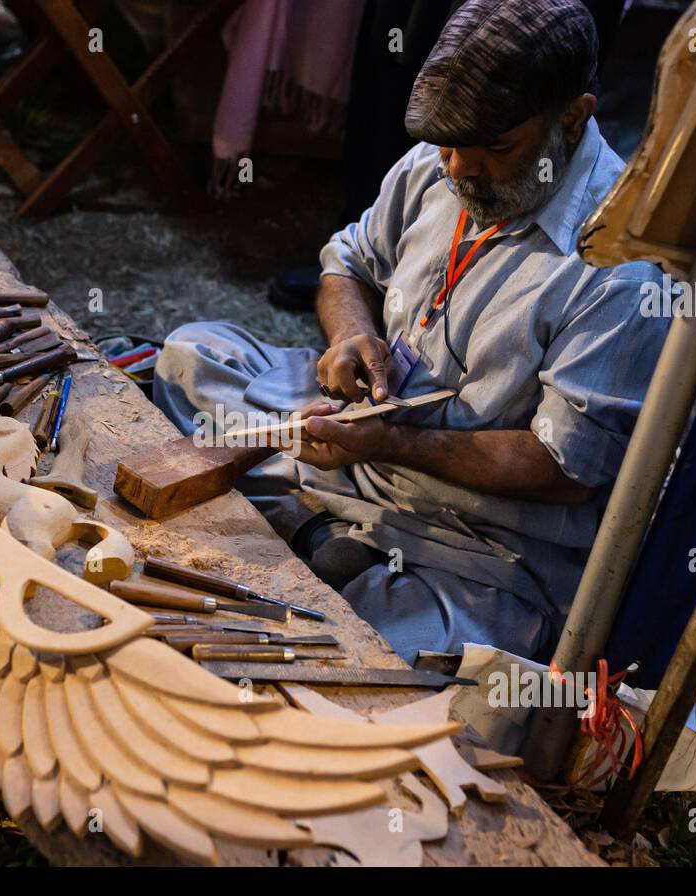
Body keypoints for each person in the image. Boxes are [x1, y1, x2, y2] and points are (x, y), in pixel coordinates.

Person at [155, 0, 667, 664]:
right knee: (191, 354)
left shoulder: (619, 269)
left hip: (473, 538)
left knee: (348, 652)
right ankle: (320, 528)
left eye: (494, 150)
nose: (459, 170)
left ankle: (317, 535)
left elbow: (564, 468)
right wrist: (350, 336)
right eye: (449, 146)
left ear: (572, 118)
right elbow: (346, 263)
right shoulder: (440, 159)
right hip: (357, 456)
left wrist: (395, 442)